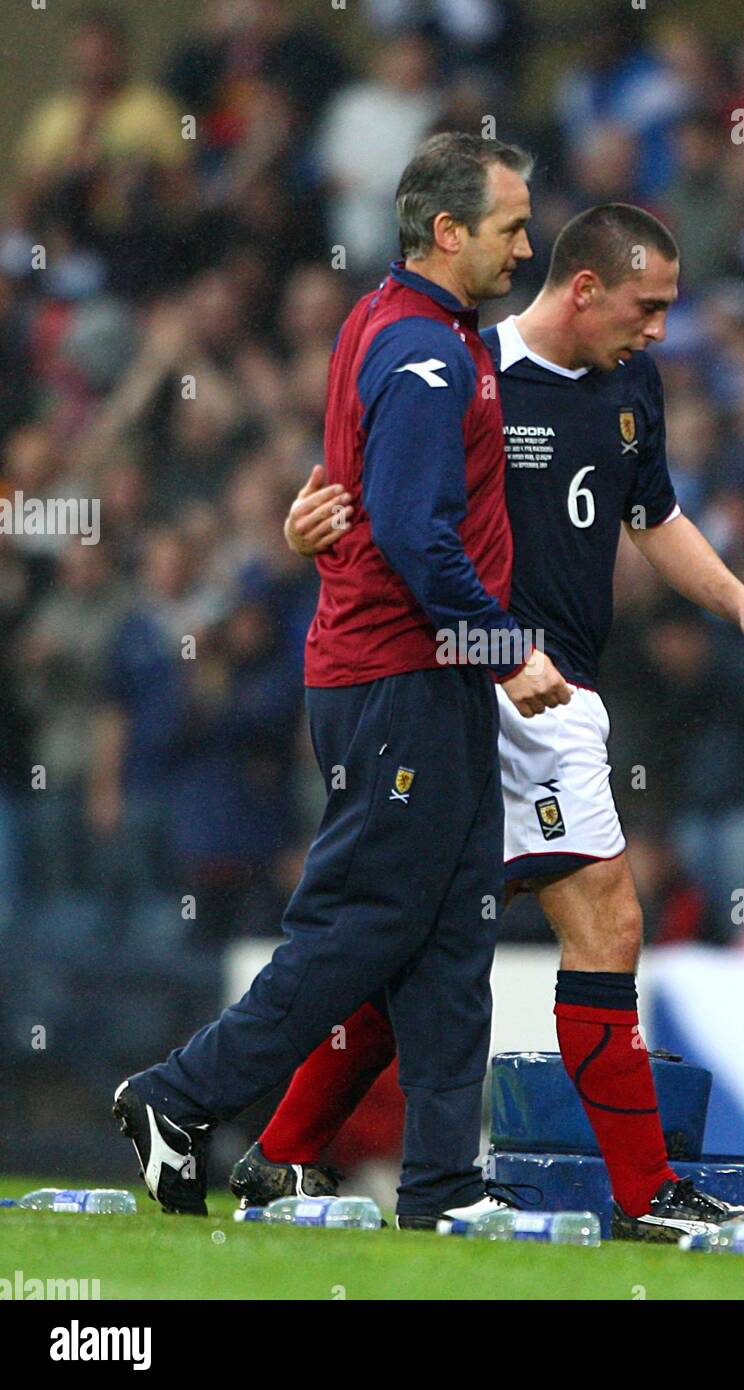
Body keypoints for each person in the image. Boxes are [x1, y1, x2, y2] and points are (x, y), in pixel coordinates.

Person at [233, 203, 744, 1241]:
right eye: (649, 305)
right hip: (467, 682)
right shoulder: (461, 366)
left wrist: (739, 605)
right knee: (559, 923)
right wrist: (296, 530)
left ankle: (276, 1154)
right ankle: (643, 1196)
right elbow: (378, 506)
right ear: (584, 289)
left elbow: (652, 515)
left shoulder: (631, 382)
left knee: (430, 937)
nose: (661, 329)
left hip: (555, 690)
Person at [113, 131, 571, 1227]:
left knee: (453, 932)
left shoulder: (402, 325)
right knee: (361, 924)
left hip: (420, 677)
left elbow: (368, 500)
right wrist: (505, 647)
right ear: (446, 231)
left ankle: (441, 1187)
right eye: (509, 227)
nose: (524, 246)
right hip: (398, 675)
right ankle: (175, 1096)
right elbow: (416, 537)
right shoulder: (421, 354)